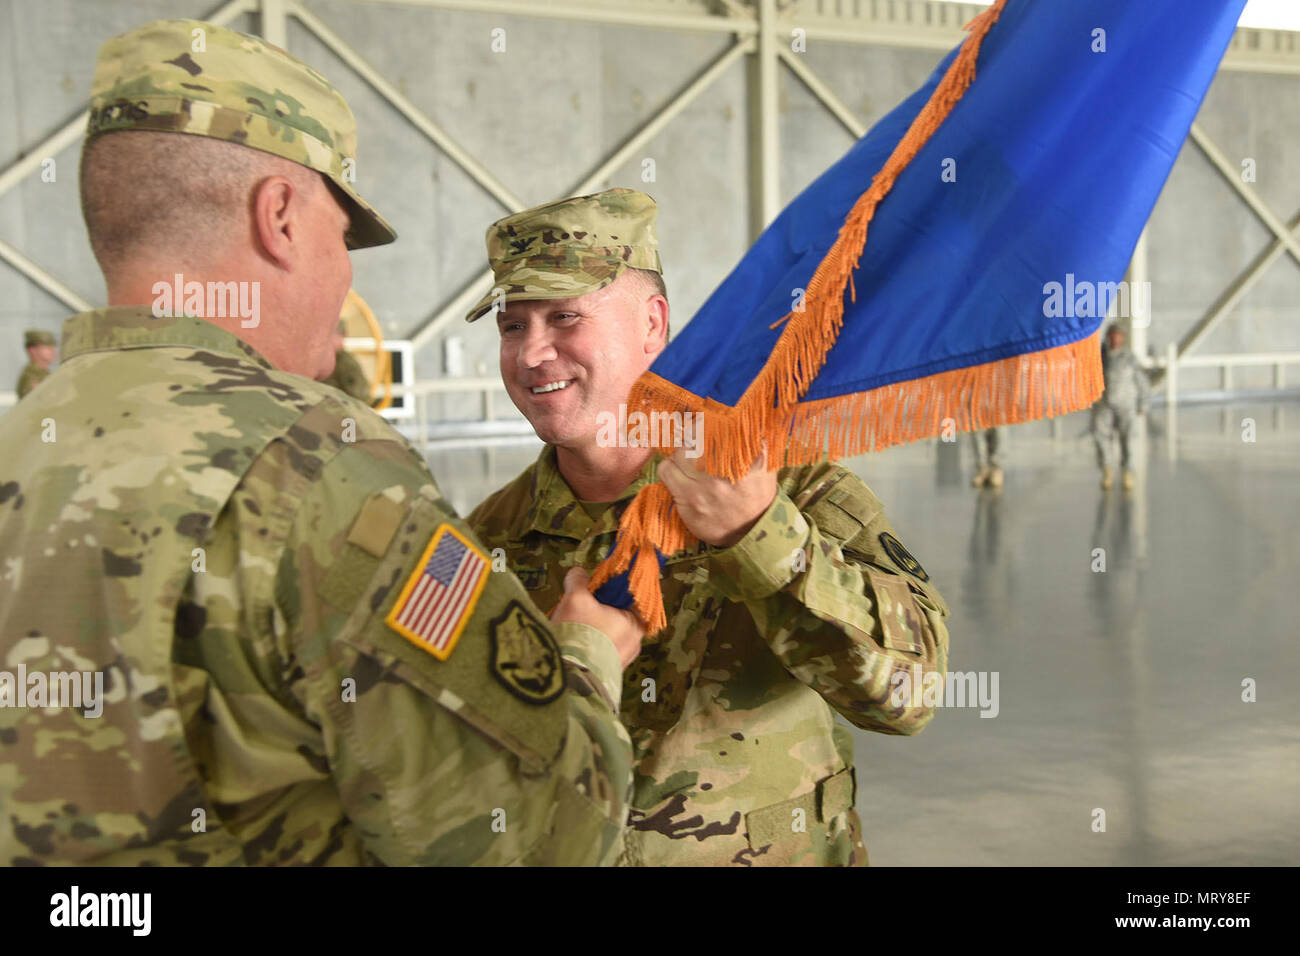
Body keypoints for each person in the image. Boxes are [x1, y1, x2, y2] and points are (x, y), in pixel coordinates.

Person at [0, 19, 644, 866]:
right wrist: (588, 658)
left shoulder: (24, 445)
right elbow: (543, 831)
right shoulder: (322, 475)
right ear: (279, 217)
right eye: (342, 237)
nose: (345, 277)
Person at [466, 188, 952, 867]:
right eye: (511, 327)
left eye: (563, 316)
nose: (532, 354)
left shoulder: (788, 486)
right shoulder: (487, 539)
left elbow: (912, 696)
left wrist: (760, 538)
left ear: (653, 324)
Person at [1091, 323, 1150, 491]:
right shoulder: (1100, 357)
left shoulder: (1129, 358)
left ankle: (1127, 471)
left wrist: (1143, 403)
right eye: (1112, 335)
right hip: (1104, 404)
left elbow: (1142, 381)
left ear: (1122, 338)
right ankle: (1107, 470)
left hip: (1126, 404)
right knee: (1100, 437)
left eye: (1118, 335)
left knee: (1128, 440)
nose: (1115, 339)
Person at [321, 318, 372, 402]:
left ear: (341, 336)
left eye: (331, 334)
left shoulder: (344, 361)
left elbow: (360, 395)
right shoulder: (326, 357)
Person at [15, 329, 56, 398]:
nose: (53, 350)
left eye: (52, 347)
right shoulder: (31, 376)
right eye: (47, 347)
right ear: (32, 350)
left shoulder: (43, 373)